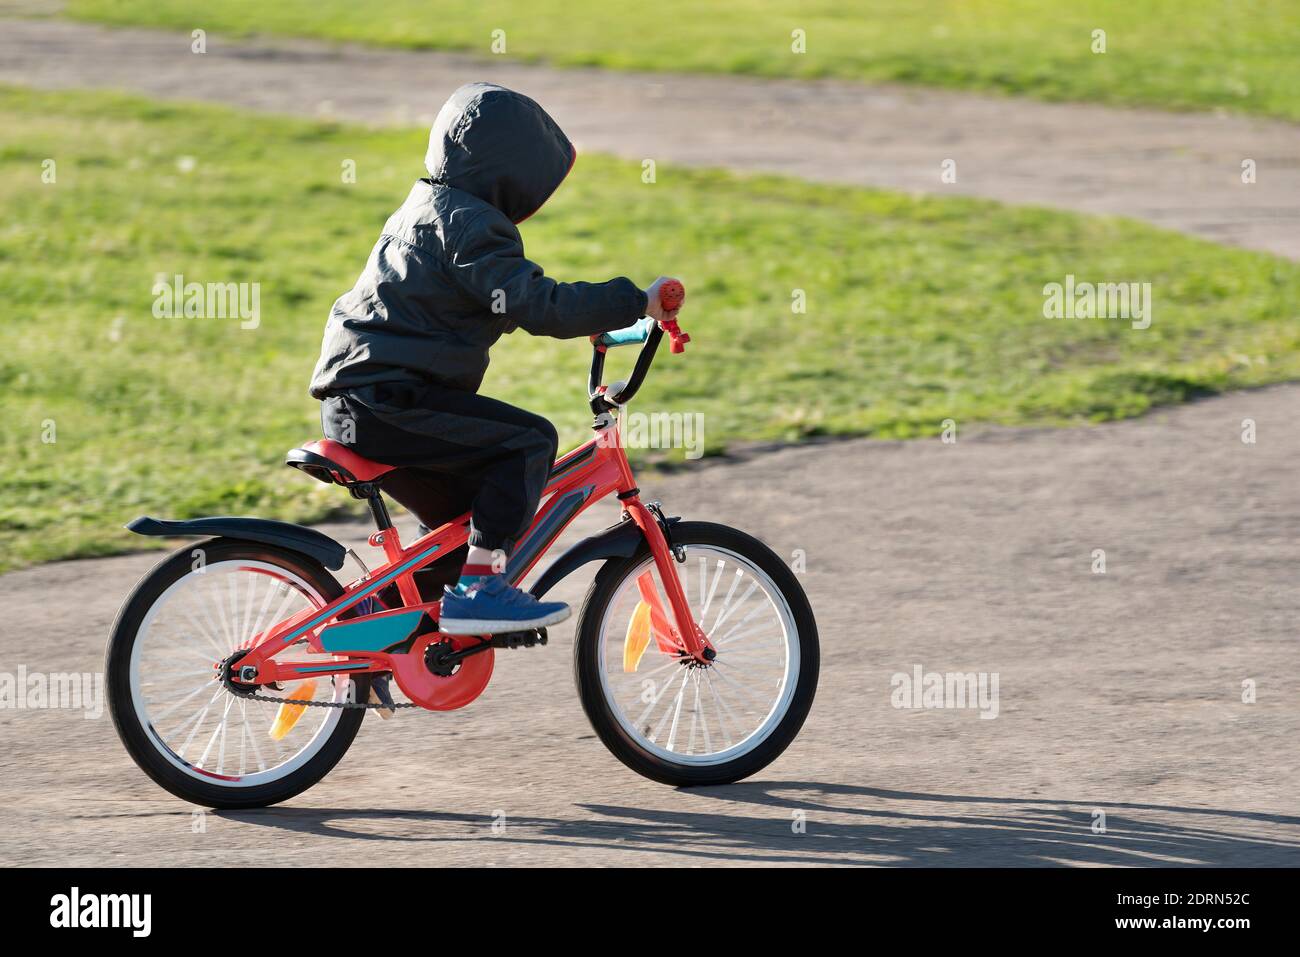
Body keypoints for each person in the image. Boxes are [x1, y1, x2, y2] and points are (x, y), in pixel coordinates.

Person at [309, 82, 679, 634]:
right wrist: (636, 302)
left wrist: (595, 320)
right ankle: (480, 591)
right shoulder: (470, 224)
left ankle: (378, 622)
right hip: (389, 400)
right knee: (528, 442)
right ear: (510, 171)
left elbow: (486, 302)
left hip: (365, 399)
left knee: (471, 527)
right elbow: (538, 304)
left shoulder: (428, 209)